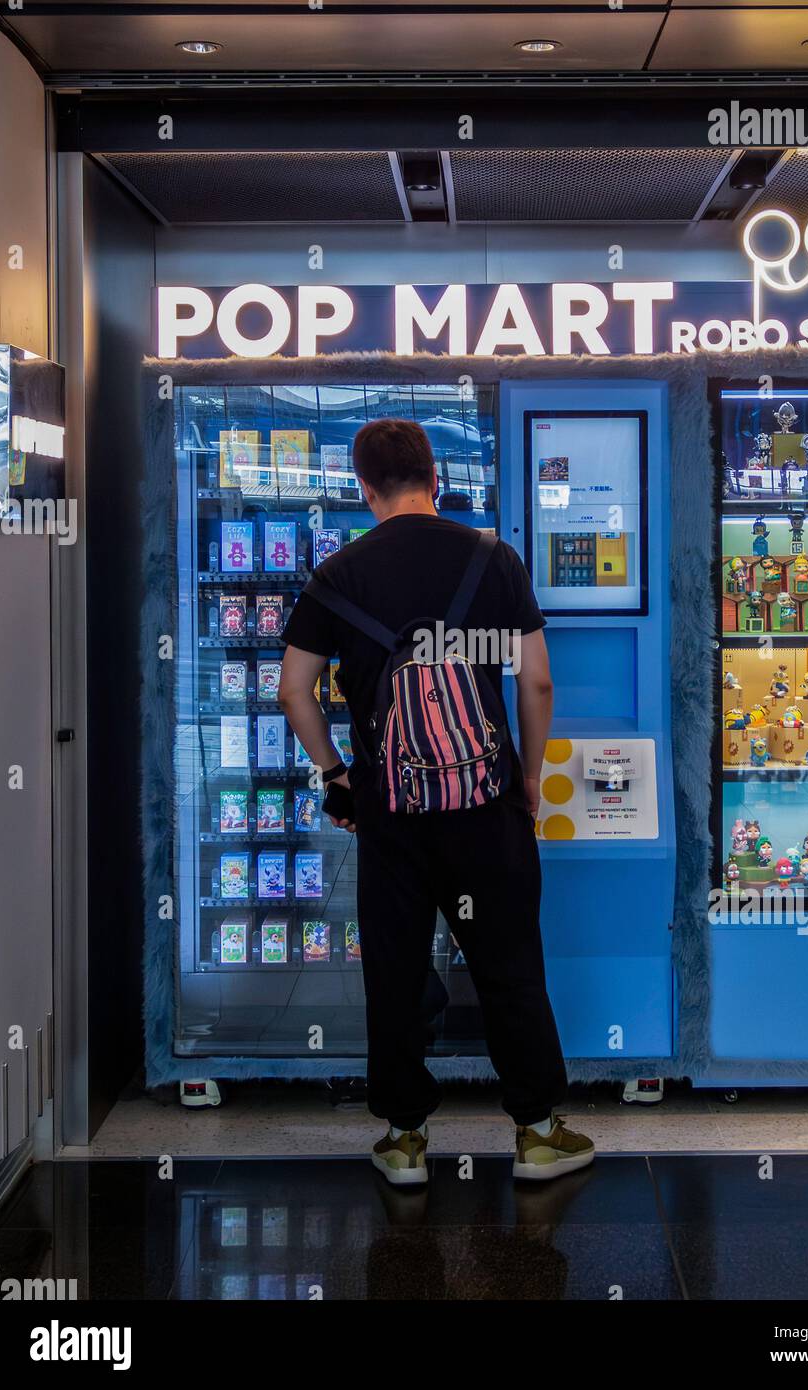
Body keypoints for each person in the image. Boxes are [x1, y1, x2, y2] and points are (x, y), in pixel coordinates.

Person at [279, 418, 594, 1186]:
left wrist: (334, 775)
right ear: (435, 478)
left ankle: (405, 1140)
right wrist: (526, 775)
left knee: (395, 967)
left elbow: (293, 689)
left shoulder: (337, 574)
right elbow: (537, 681)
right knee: (509, 962)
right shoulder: (493, 559)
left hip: (391, 812)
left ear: (362, 488)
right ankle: (538, 1134)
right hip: (485, 808)